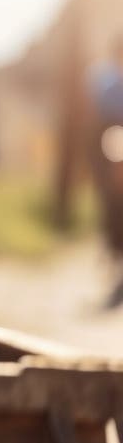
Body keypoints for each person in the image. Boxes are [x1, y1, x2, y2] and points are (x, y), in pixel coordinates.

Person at [90, 37, 123, 307]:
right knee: (115, 209)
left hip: (113, 142)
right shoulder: (109, 83)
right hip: (115, 141)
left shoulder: (107, 82)